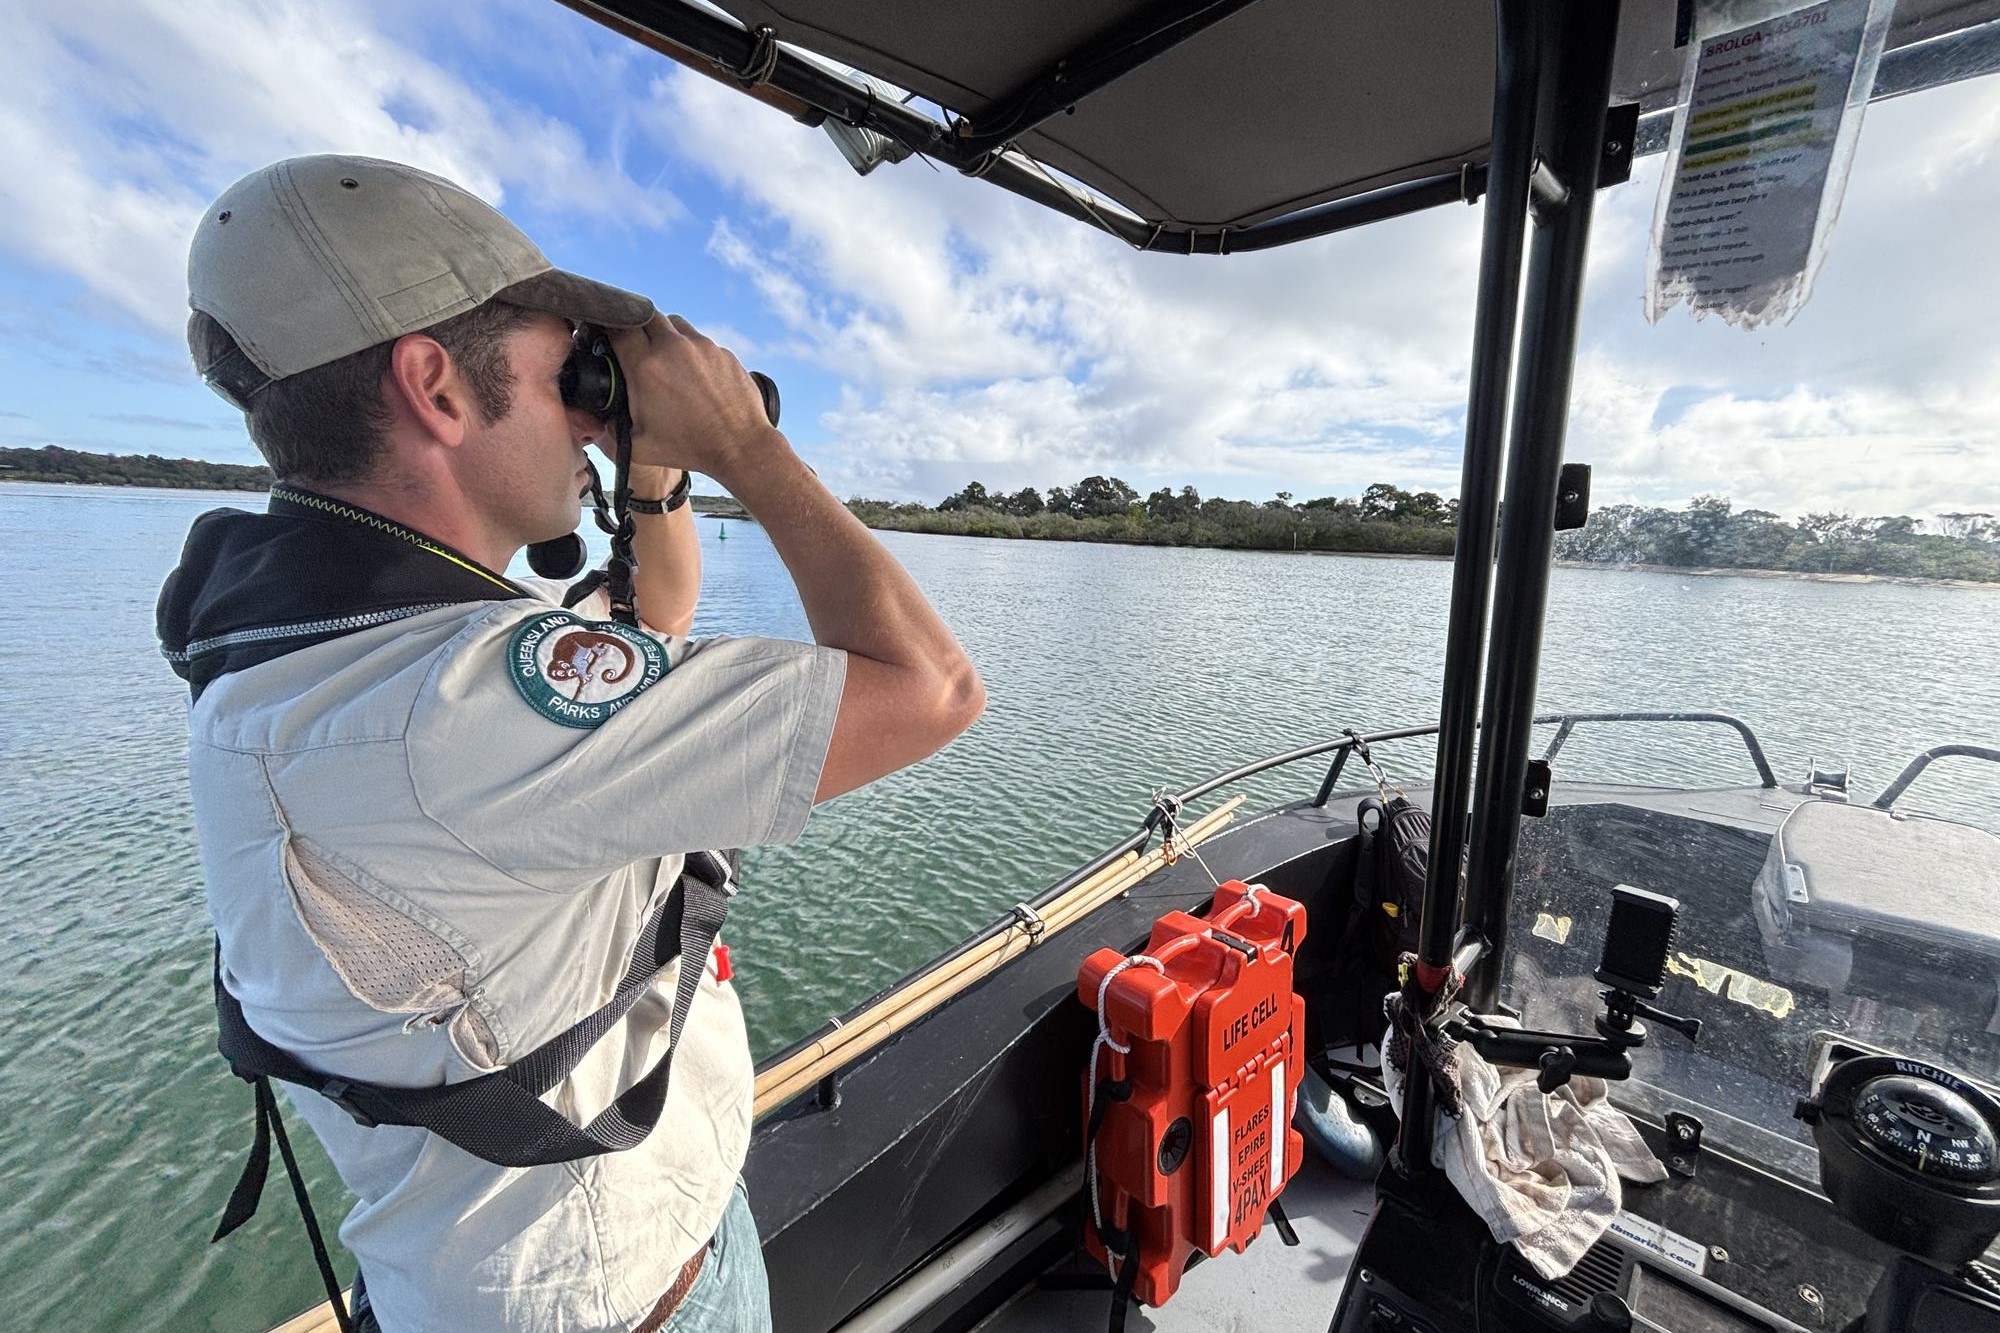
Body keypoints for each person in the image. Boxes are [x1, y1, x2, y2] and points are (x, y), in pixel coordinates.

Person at [156, 154, 984, 1333]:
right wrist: (747, 448)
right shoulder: (446, 712)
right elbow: (931, 688)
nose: (587, 413)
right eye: (569, 374)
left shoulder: (325, 656)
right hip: (624, 1307)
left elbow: (661, 615)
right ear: (435, 387)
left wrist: (647, 465)